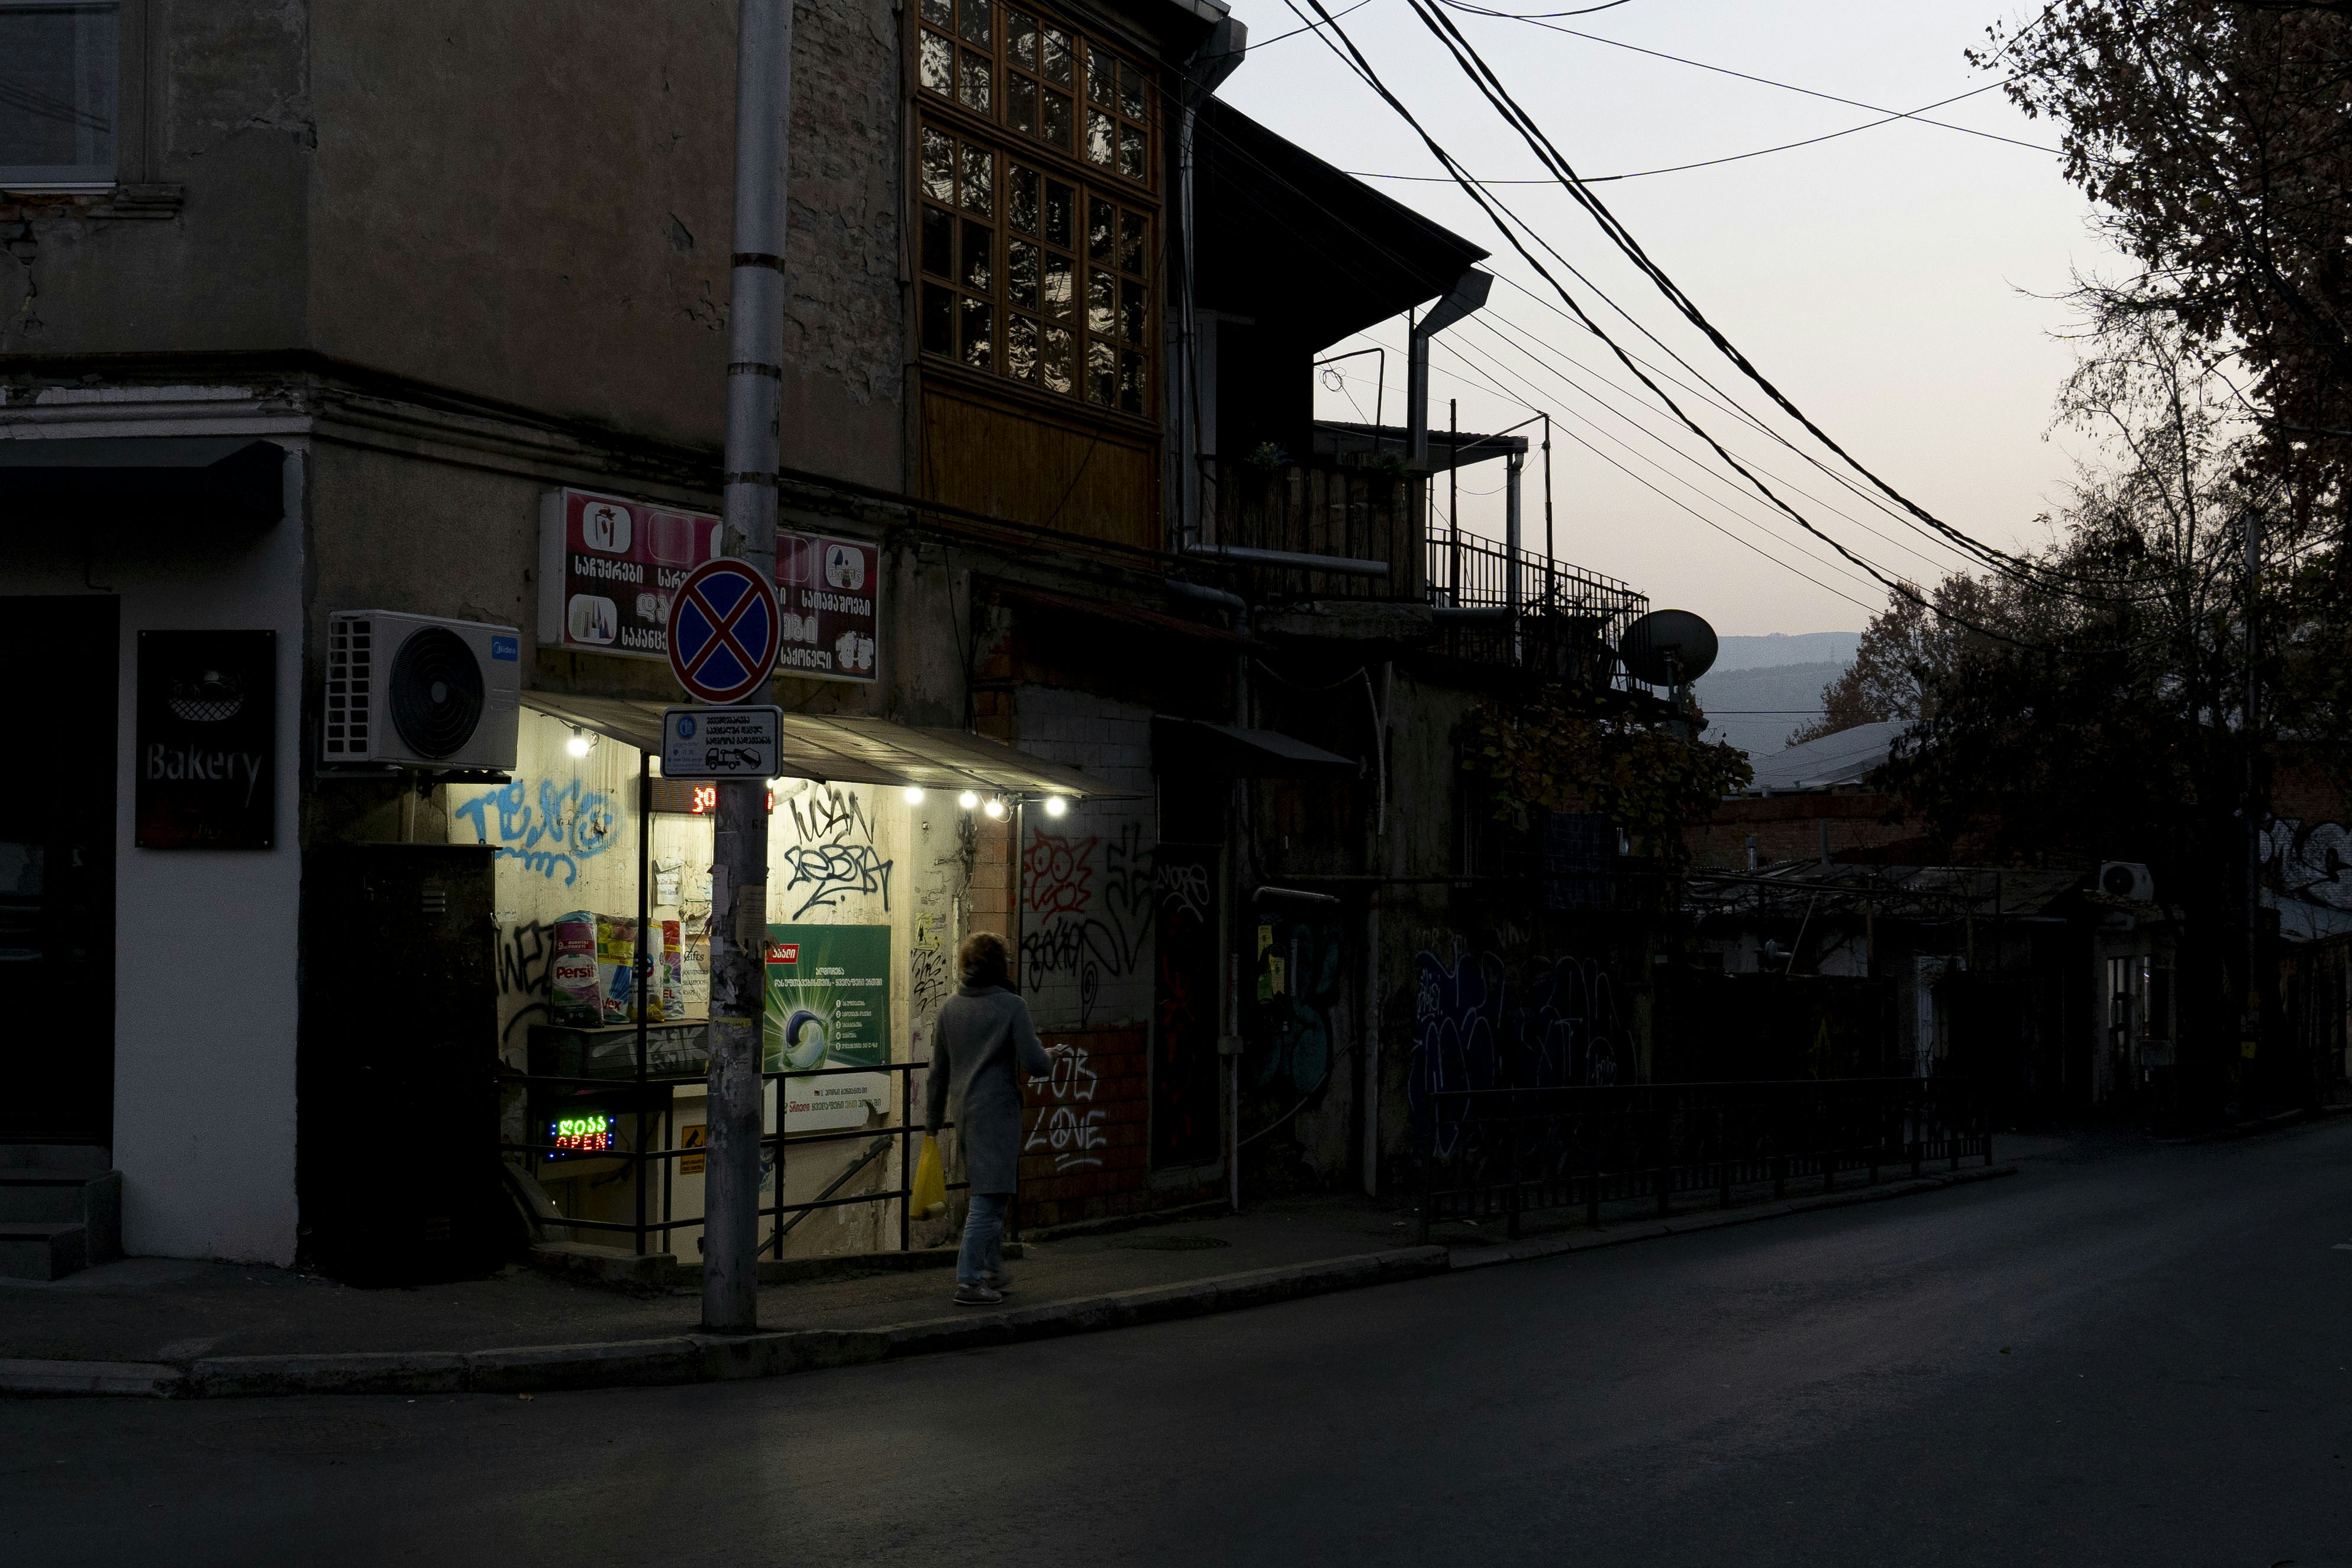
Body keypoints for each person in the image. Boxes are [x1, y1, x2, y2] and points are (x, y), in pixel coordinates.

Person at [924, 931, 1054, 1305]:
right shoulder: (1011, 1006)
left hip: (964, 1112)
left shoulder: (949, 1009)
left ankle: (994, 1270)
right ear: (1000, 966)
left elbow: (937, 1073)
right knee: (991, 1197)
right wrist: (1052, 1056)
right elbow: (1035, 1064)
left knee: (987, 1189)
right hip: (997, 1114)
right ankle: (968, 1280)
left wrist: (932, 1121)